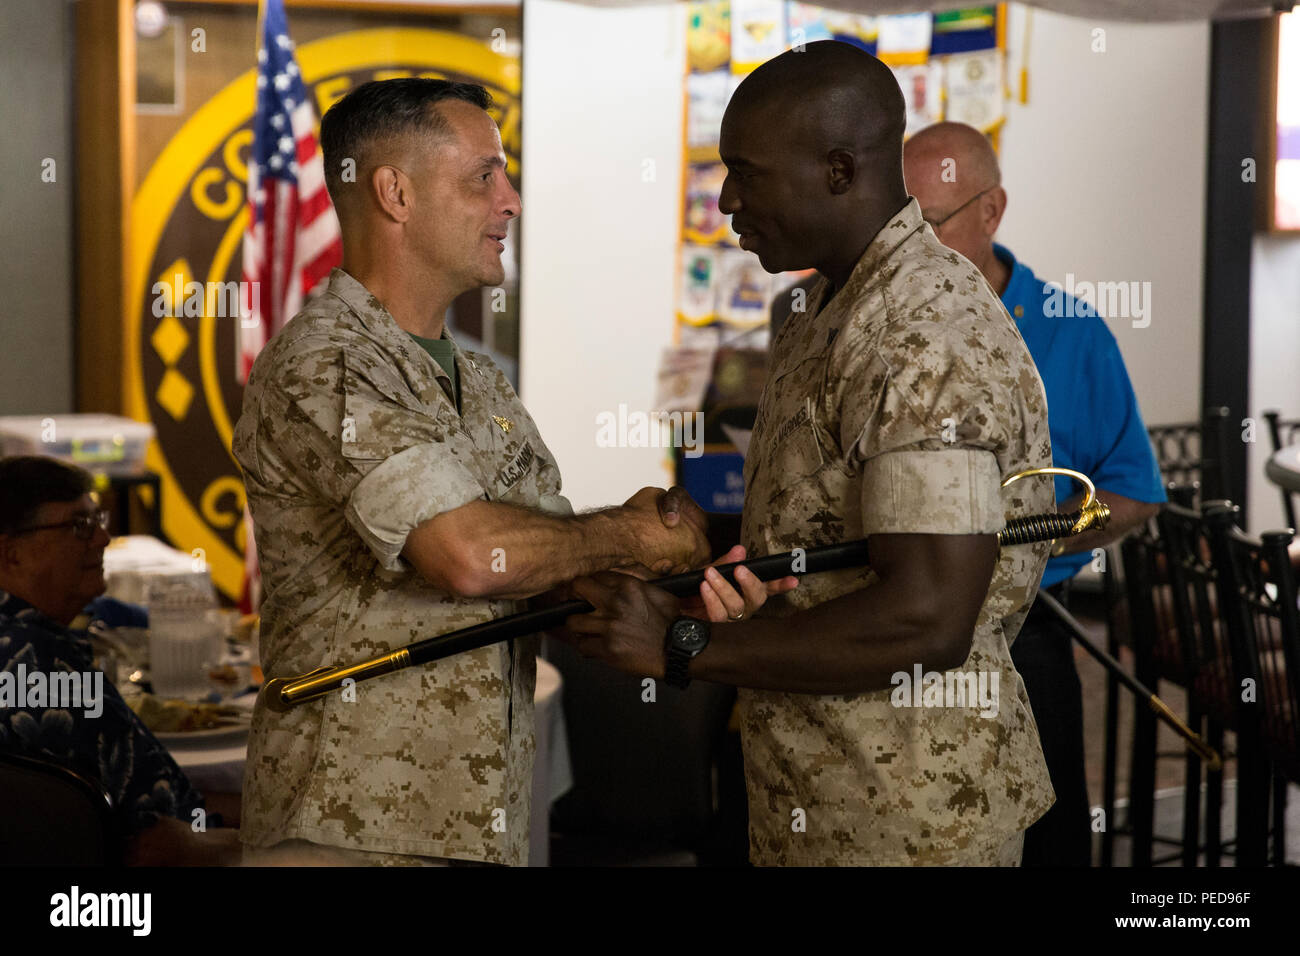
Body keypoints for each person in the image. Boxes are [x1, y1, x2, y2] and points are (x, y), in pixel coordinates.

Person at [233, 77, 775, 866]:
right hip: (347, 825)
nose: (511, 199)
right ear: (395, 193)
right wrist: (629, 531)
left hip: (474, 817)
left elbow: (547, 566)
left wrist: (691, 578)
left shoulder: (479, 381)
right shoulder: (331, 362)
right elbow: (469, 556)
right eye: (484, 175)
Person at [562, 41, 1056, 866]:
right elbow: (830, 533)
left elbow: (926, 616)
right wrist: (690, 543)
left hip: (912, 820)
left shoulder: (922, 328)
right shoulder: (829, 306)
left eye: (746, 173)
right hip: (825, 794)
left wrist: (684, 648)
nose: (726, 201)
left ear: (837, 170)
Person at [902, 121, 1165, 866]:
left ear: (992, 211)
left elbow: (1135, 492)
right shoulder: (876, 325)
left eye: (932, 224)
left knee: (1045, 843)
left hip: (1024, 629)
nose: (911, 247)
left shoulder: (1073, 335)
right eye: (899, 224)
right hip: (893, 626)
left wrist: (1026, 538)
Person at [0, 456, 240, 865]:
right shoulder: (46, 670)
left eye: (98, 519)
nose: (103, 539)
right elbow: (152, 844)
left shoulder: (28, 643)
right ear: (11, 553)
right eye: (80, 526)